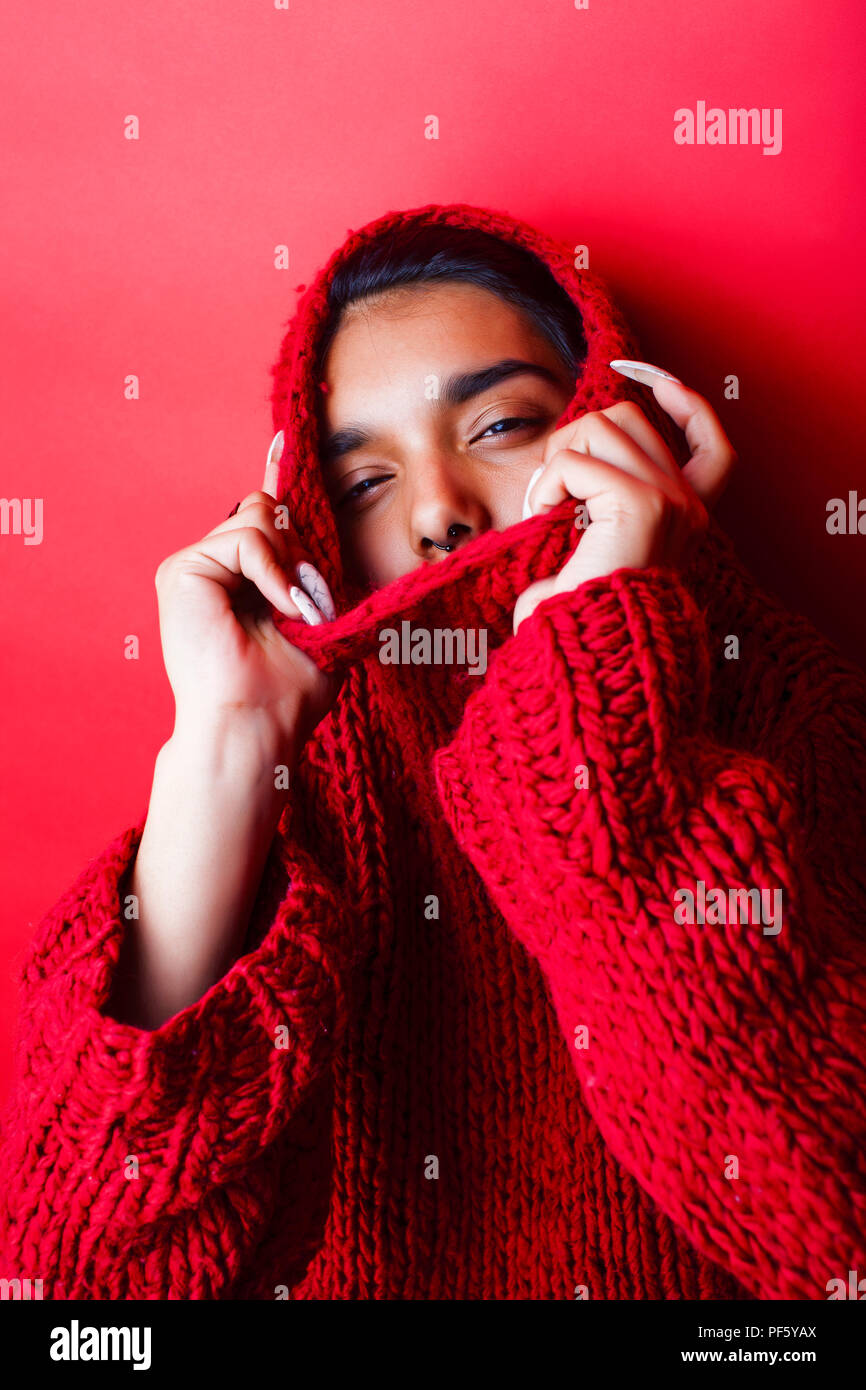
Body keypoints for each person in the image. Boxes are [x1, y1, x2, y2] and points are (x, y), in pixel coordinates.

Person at [1, 201, 864, 1301]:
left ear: (616, 418)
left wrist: (593, 691)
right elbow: (71, 1302)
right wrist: (225, 748)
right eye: (365, 481)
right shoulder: (291, 796)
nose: (438, 514)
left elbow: (828, 1237)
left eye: (497, 425)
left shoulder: (791, 711)